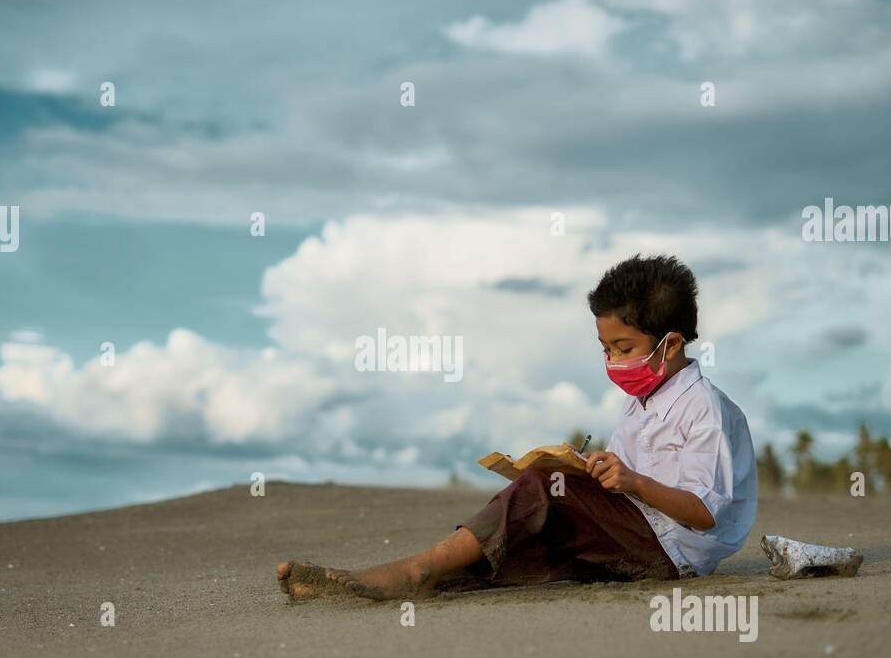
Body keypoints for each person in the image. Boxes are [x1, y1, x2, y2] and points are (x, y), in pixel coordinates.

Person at [277, 254, 758, 601]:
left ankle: (414, 569)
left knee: (542, 489)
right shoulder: (642, 401)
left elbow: (702, 512)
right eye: (604, 347)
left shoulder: (703, 408)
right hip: (637, 533)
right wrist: (591, 470)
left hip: (671, 551)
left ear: (670, 345)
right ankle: (407, 579)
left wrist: (630, 481)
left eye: (624, 347)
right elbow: (623, 486)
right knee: (526, 536)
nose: (611, 360)